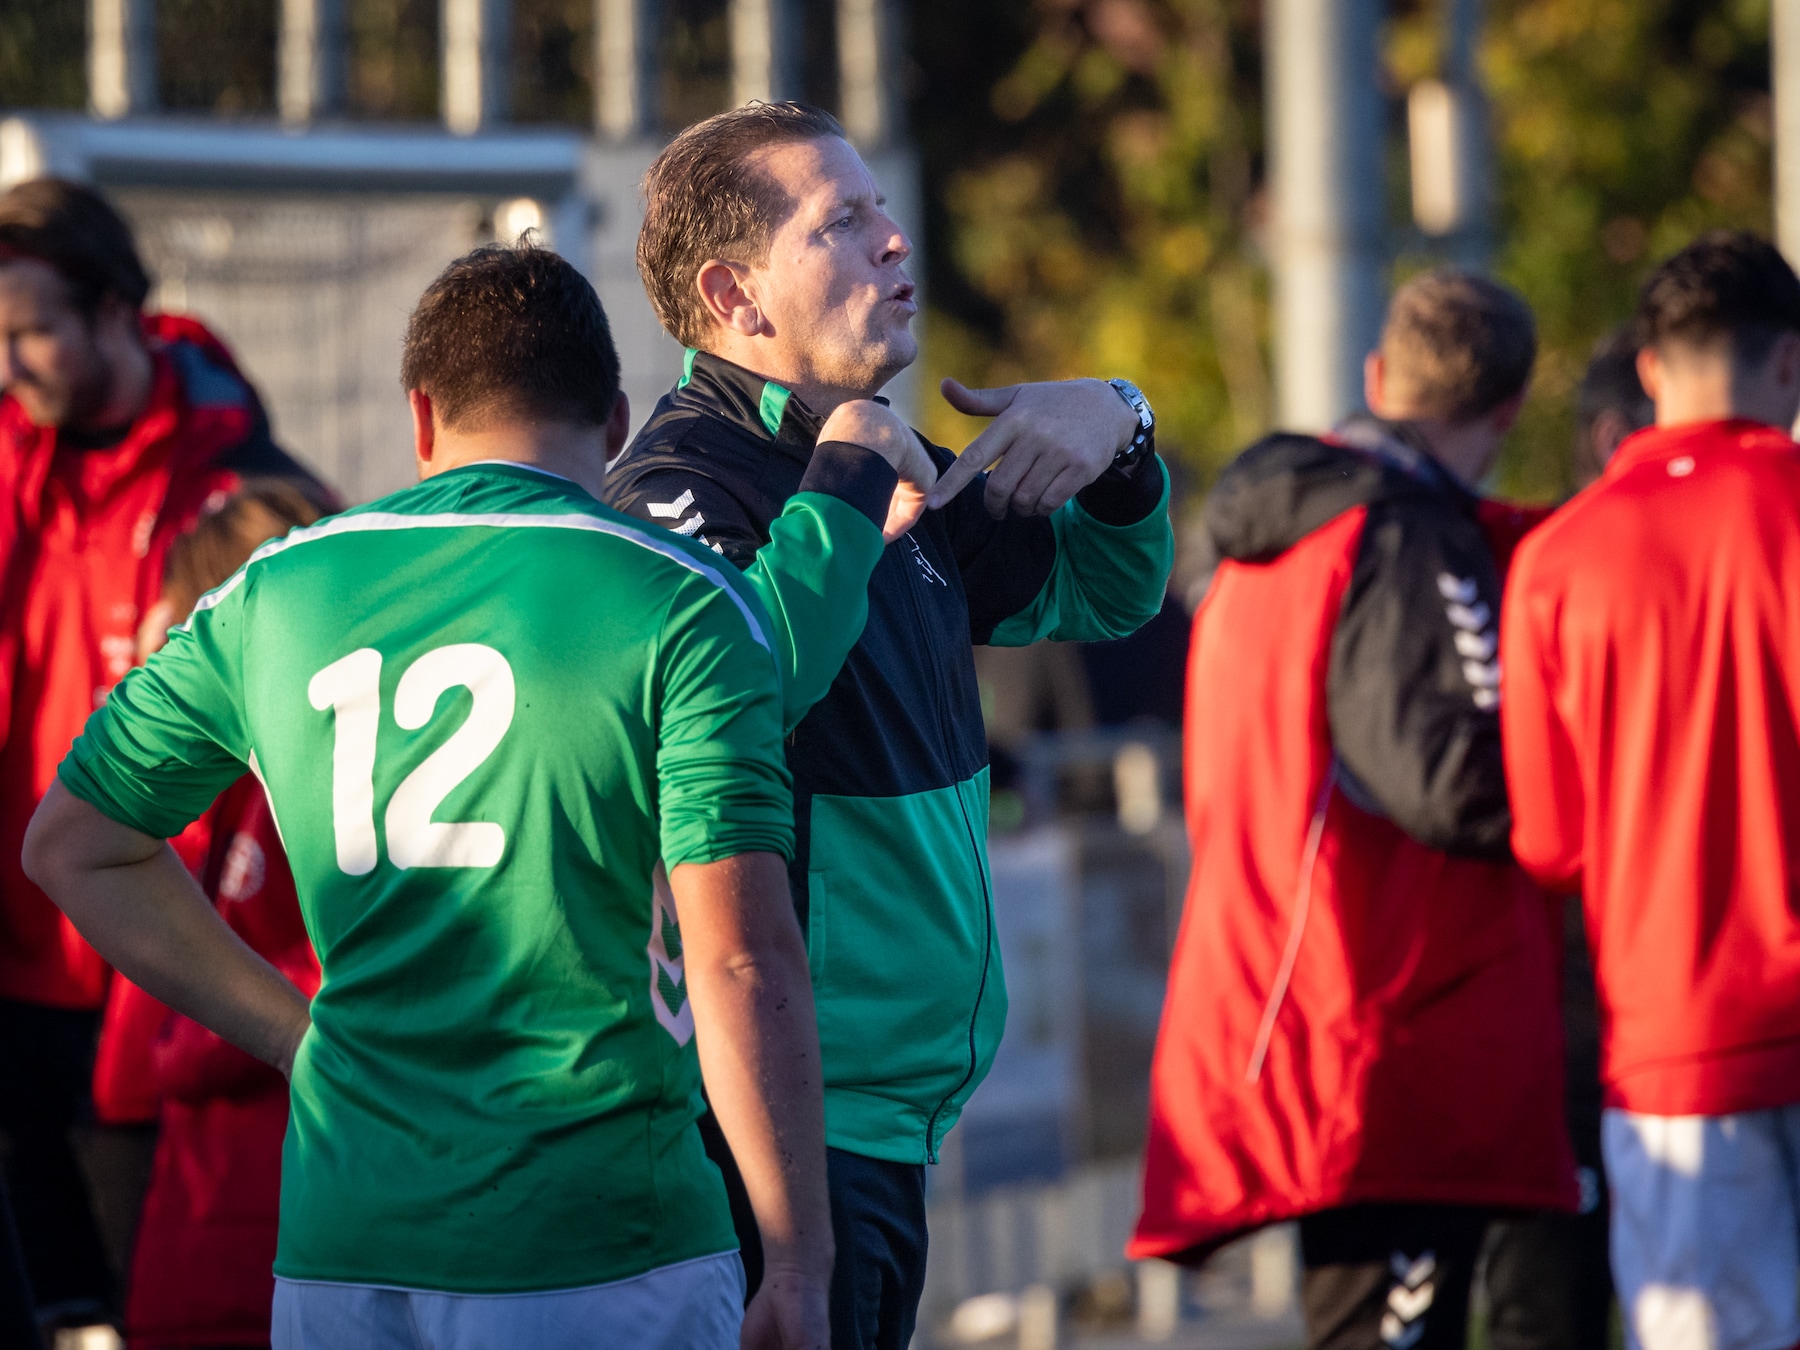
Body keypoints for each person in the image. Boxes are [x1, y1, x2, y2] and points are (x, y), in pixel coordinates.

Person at [22, 242, 840, 1350]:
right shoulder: (681, 604)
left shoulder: (274, 588)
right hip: (601, 1243)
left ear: (420, 420)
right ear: (613, 423)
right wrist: (797, 1261)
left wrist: (290, 1034)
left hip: (342, 1248)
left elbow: (72, 845)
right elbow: (741, 958)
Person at [602, 101, 1173, 1349]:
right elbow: (731, 695)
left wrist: (1120, 435)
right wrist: (850, 481)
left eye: (883, 211)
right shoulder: (682, 485)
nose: (897, 241)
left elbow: (1103, 590)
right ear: (735, 293)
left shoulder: (874, 453)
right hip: (778, 1128)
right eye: (844, 222)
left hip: (882, 1119)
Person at [1130, 269, 1575, 1350]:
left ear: (1378, 376)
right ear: (1511, 407)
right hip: (1385, 1030)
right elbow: (1455, 780)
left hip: (1304, 1009)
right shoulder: (1401, 538)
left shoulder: (1267, 539)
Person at [0, 177, 322, 1332]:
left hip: (152, 985)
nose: (12, 361)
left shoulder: (244, 499)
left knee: (150, 1312)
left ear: (117, 312)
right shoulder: (9, 459)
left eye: (32, 329)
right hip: (17, 969)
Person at [1502, 230, 1800, 1350]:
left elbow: (1550, 844)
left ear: (1648, 370)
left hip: (1678, 1043)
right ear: (1790, 364)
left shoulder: (1559, 561)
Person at [88, 482, 323, 1350]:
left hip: (259, 1232)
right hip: (222, 1233)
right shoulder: (222, 798)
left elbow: (138, 1065)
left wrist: (198, 1039)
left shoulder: (291, 796)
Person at [1481, 330, 1649, 1350]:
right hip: (1568, 1019)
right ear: (1610, 434)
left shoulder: (1535, 562)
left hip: (1598, 1010)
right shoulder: (1534, 562)